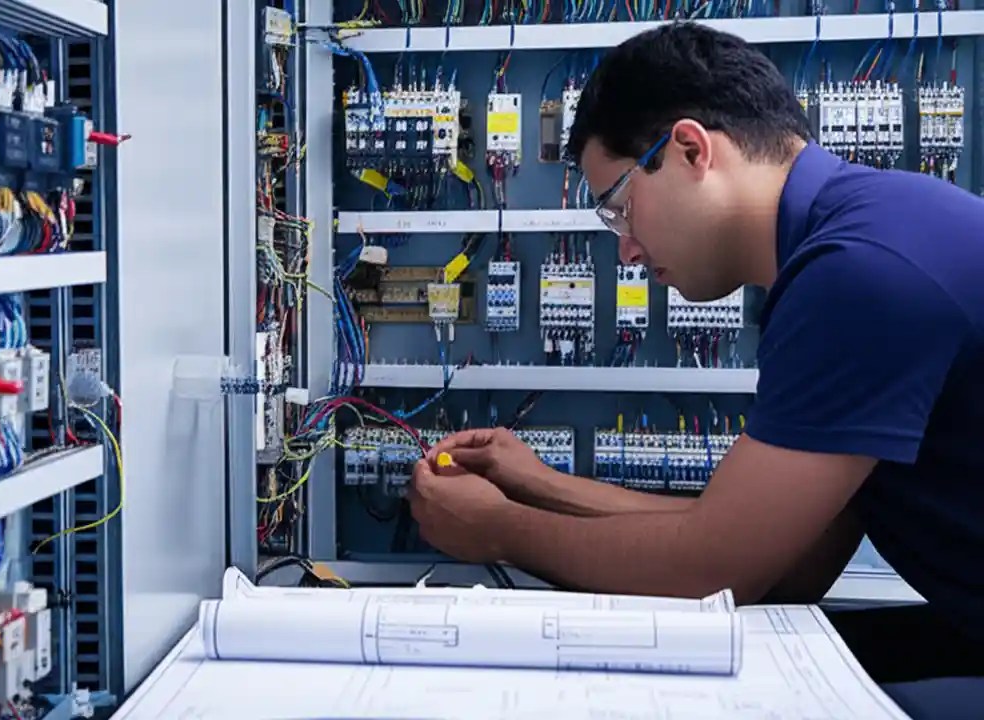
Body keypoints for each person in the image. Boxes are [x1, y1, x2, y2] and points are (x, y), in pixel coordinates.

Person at [406, 21, 984, 658]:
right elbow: (785, 558)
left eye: (619, 208)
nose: (626, 251)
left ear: (689, 150)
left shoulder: (859, 273)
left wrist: (497, 529)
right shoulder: (863, 237)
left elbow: (713, 571)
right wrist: (536, 484)